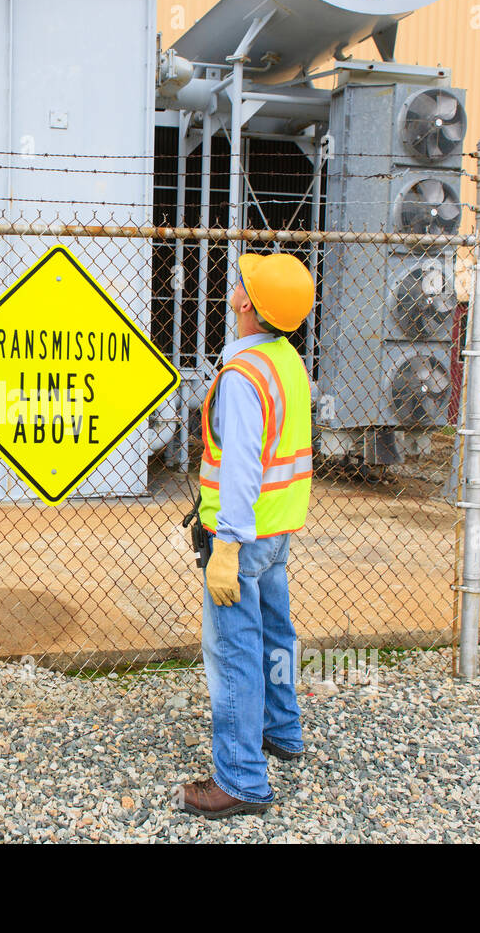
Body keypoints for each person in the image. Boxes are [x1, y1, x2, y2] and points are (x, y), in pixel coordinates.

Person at [175, 251, 316, 819]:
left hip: (241, 534)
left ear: (248, 306)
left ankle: (240, 781)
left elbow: (239, 468)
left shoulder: (241, 377)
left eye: (241, 287)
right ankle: (283, 731)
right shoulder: (286, 363)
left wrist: (226, 547)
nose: (234, 293)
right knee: (274, 637)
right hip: (278, 530)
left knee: (233, 653)